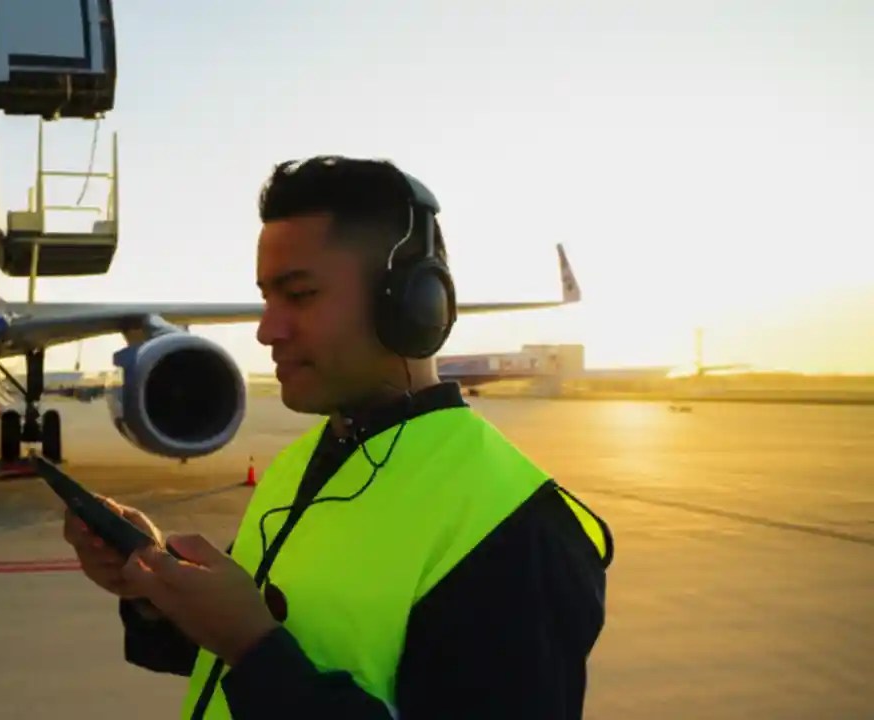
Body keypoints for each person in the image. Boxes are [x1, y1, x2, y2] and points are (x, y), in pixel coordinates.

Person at [62, 156, 614, 719]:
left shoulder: (517, 528)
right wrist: (157, 593)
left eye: (298, 295)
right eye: (266, 298)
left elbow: (258, 651)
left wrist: (254, 650)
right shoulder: (302, 463)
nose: (266, 329)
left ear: (410, 305)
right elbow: (272, 641)